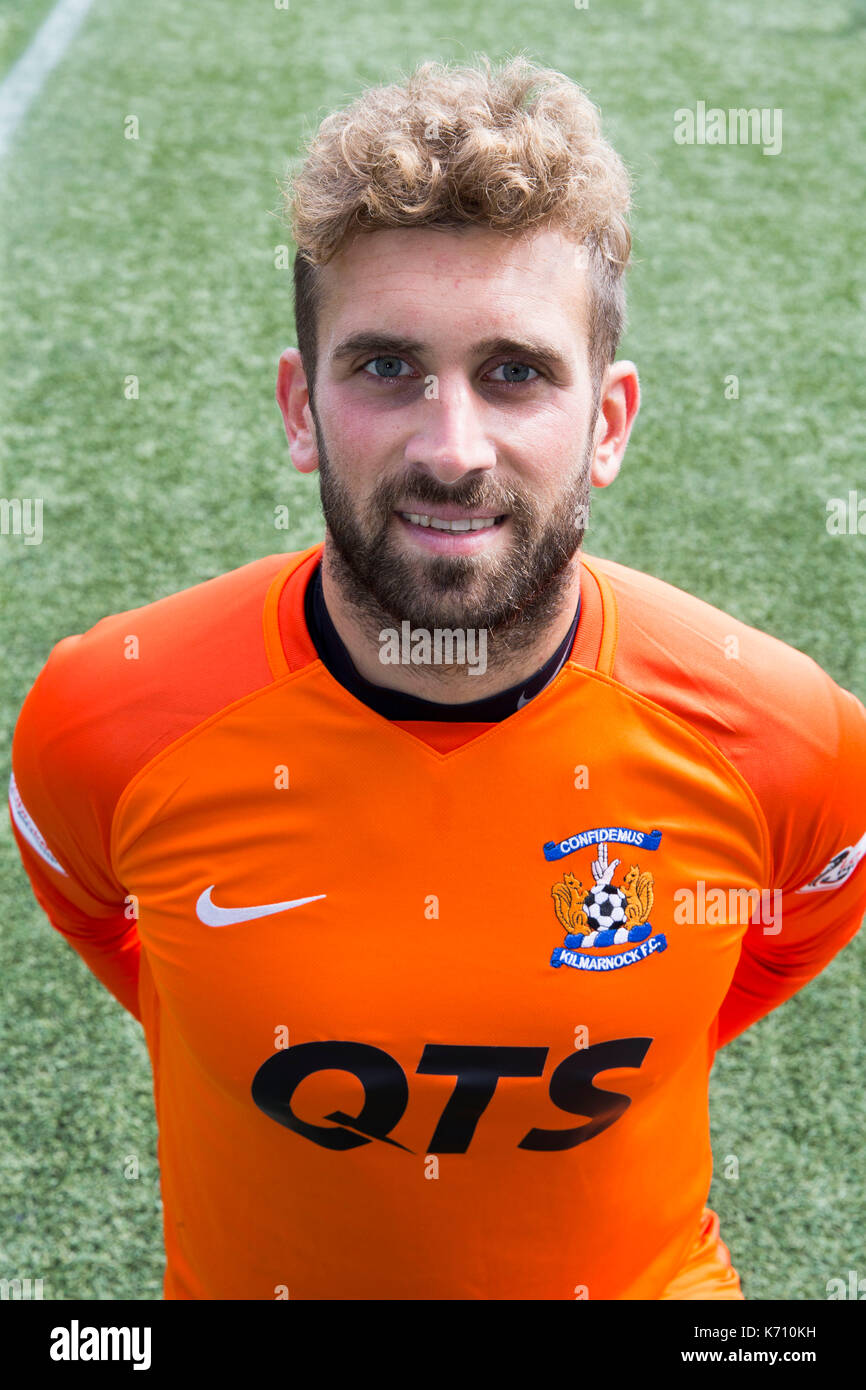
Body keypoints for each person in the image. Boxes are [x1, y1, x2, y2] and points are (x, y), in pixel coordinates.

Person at [9, 54, 865, 1300]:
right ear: (301, 408)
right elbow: (104, 911)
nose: (452, 448)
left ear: (607, 423)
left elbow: (784, 930)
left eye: (514, 371)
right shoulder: (108, 717)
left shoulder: (787, 741)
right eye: (385, 368)